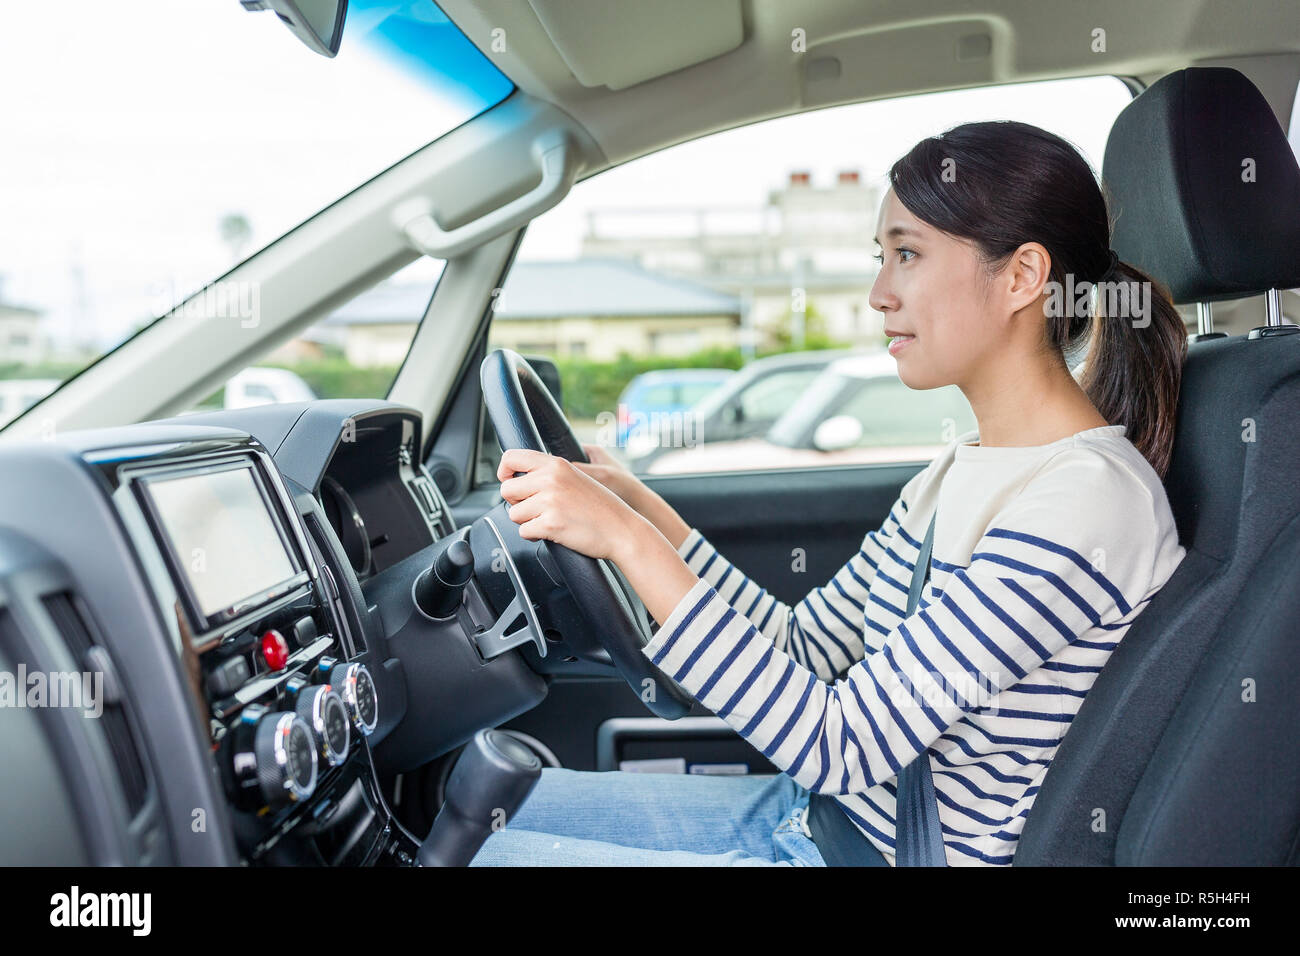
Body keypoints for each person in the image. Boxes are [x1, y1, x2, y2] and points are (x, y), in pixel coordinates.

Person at [470, 120, 1188, 867]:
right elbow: (805, 648)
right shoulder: (956, 472)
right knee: (506, 815)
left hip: (879, 853)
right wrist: (643, 509)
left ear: (1021, 277)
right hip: (820, 822)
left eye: (907, 255)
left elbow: (839, 743)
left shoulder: (1086, 505)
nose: (879, 294)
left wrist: (625, 542)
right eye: (882, 259)